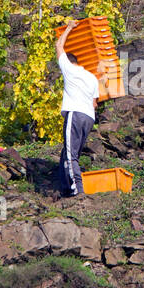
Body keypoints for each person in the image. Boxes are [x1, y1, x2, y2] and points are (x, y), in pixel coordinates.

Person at [56, 20, 100, 197]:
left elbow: (59, 45)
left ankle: (78, 190)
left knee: (70, 154)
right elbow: (95, 103)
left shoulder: (69, 70)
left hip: (75, 113)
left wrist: (69, 28)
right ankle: (65, 187)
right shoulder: (91, 77)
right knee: (68, 153)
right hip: (89, 118)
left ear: (69, 61)